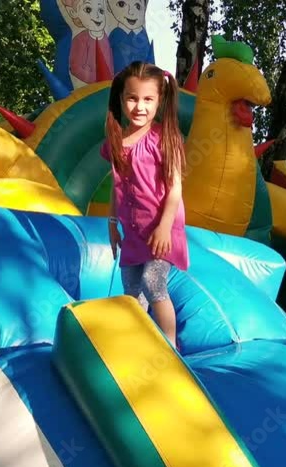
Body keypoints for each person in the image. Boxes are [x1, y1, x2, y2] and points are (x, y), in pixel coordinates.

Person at [105, 61, 188, 350]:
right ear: (121, 99)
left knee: (153, 284)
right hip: (134, 228)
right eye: (132, 98)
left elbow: (175, 187)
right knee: (131, 290)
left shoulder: (164, 138)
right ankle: (137, 346)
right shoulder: (117, 140)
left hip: (162, 225)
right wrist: (112, 223)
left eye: (148, 99)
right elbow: (117, 186)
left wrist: (165, 226)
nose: (139, 107)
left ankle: (170, 347)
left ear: (159, 100)